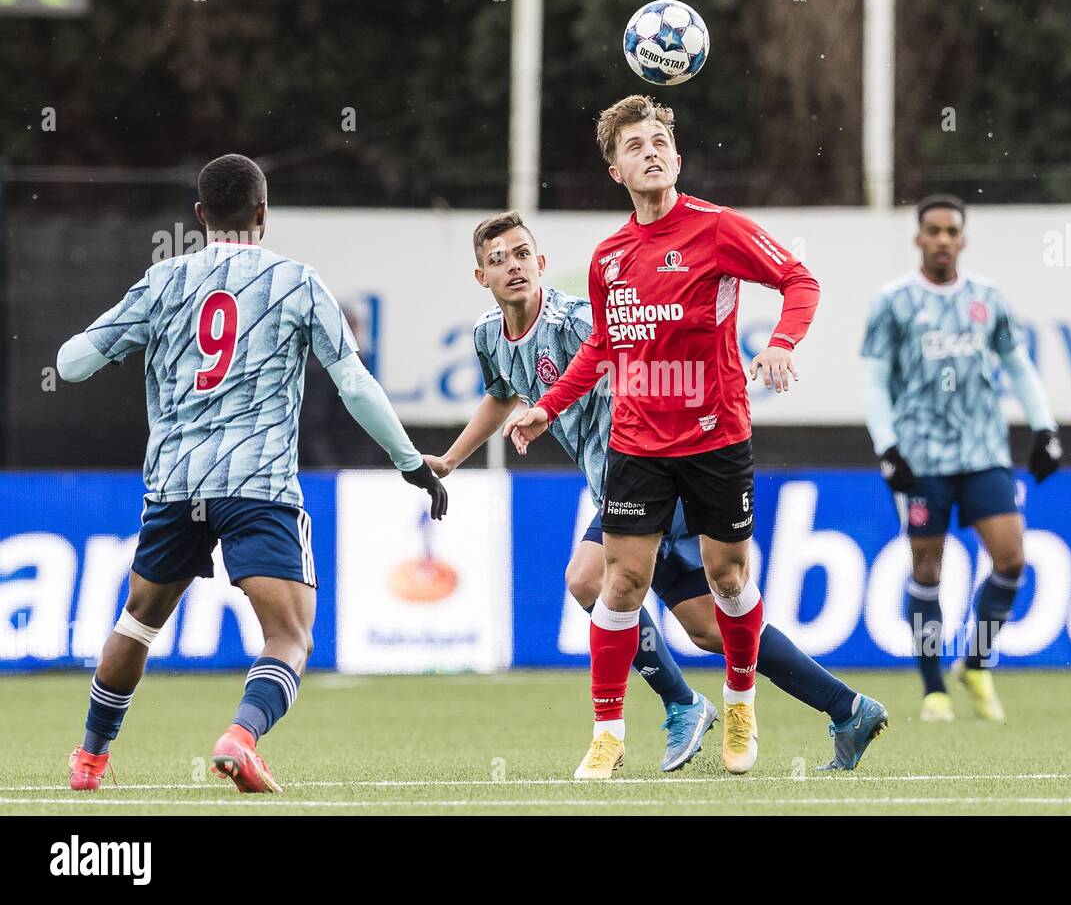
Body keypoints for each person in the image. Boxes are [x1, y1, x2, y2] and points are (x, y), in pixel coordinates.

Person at [508, 96, 889, 778]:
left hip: (715, 439)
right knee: (618, 584)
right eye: (634, 145)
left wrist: (780, 343)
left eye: (660, 141)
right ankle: (608, 733)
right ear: (614, 170)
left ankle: (739, 707)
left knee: (728, 580)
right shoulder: (608, 259)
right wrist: (550, 406)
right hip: (637, 446)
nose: (650, 151)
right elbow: (603, 344)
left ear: (677, 159)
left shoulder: (718, 229)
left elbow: (798, 281)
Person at [433, 209, 880, 773]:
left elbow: (636, 356)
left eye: (522, 254)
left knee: (589, 579)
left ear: (541, 263)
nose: (513, 267)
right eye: (498, 260)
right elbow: (502, 394)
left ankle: (681, 705)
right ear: (483, 277)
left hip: (649, 469)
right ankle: (847, 708)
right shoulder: (486, 336)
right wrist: (450, 459)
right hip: (619, 482)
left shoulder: (574, 320)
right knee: (709, 628)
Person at [55, 153, 448, 793]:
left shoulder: (162, 282)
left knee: (138, 622)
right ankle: (240, 737)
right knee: (290, 636)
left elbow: (71, 364)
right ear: (264, 213)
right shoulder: (296, 282)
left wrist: (126, 342)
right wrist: (410, 464)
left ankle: (91, 759)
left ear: (200, 216)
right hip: (257, 485)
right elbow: (353, 381)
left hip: (176, 485)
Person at [860, 194, 1062, 723]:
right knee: (928, 567)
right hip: (921, 457)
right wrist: (887, 446)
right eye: (935, 231)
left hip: (983, 452)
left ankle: (976, 661)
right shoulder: (893, 302)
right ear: (919, 238)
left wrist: (1044, 428)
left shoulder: (988, 298)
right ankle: (933, 691)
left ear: (963, 240)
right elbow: (875, 381)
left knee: (1011, 558)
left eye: (953, 231)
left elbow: (1018, 366)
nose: (944, 239)